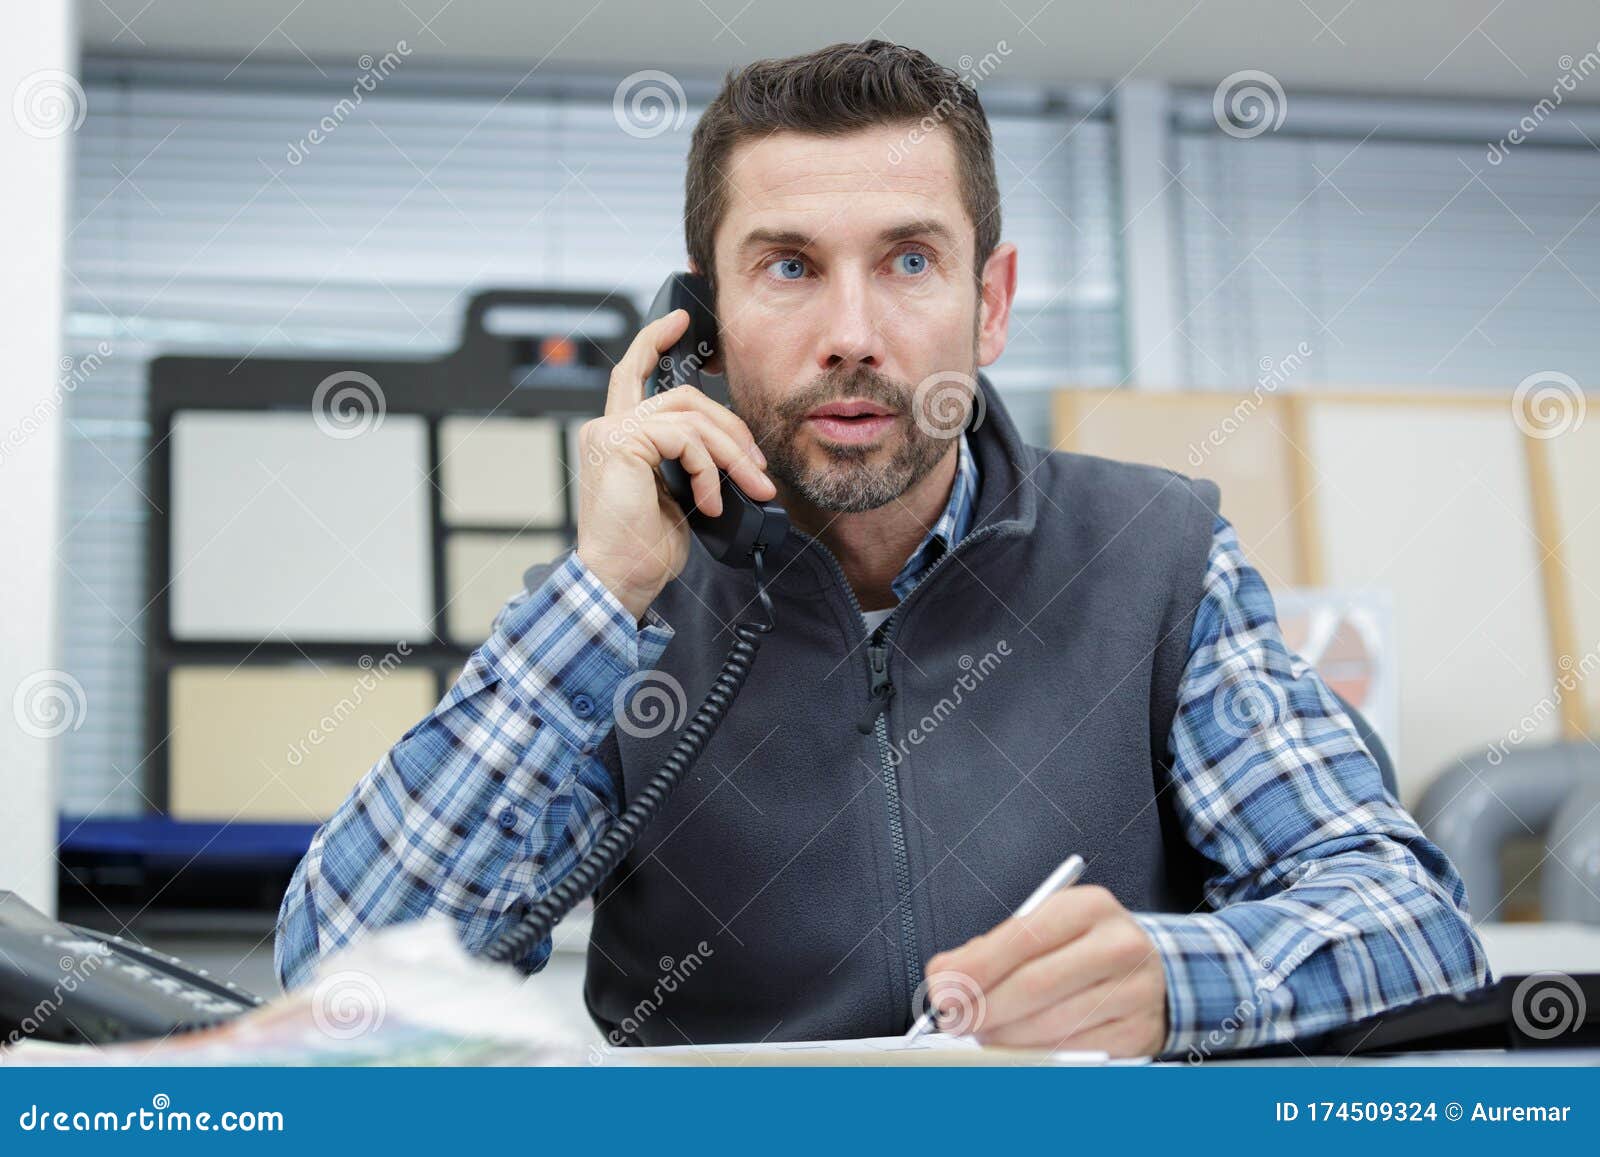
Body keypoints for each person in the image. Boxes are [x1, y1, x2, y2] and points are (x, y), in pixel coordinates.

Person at [276, 40, 1490, 1058]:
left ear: (992, 301)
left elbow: (1412, 926)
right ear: (702, 320)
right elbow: (337, 979)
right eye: (789, 267)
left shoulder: (1158, 555)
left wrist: (1179, 979)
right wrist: (600, 595)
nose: (851, 334)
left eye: (908, 261)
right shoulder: (616, 611)